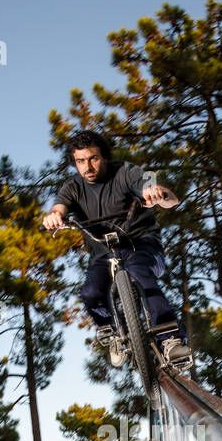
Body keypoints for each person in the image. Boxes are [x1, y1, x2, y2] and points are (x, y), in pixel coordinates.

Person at [42, 130, 191, 367]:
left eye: (93, 158)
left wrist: (155, 193)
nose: (87, 166)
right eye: (80, 161)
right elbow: (60, 206)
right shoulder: (72, 187)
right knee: (91, 293)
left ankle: (170, 339)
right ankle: (112, 332)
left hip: (141, 245)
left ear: (105, 157)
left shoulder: (125, 172)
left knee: (139, 273)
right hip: (103, 254)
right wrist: (54, 216)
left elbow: (166, 196)